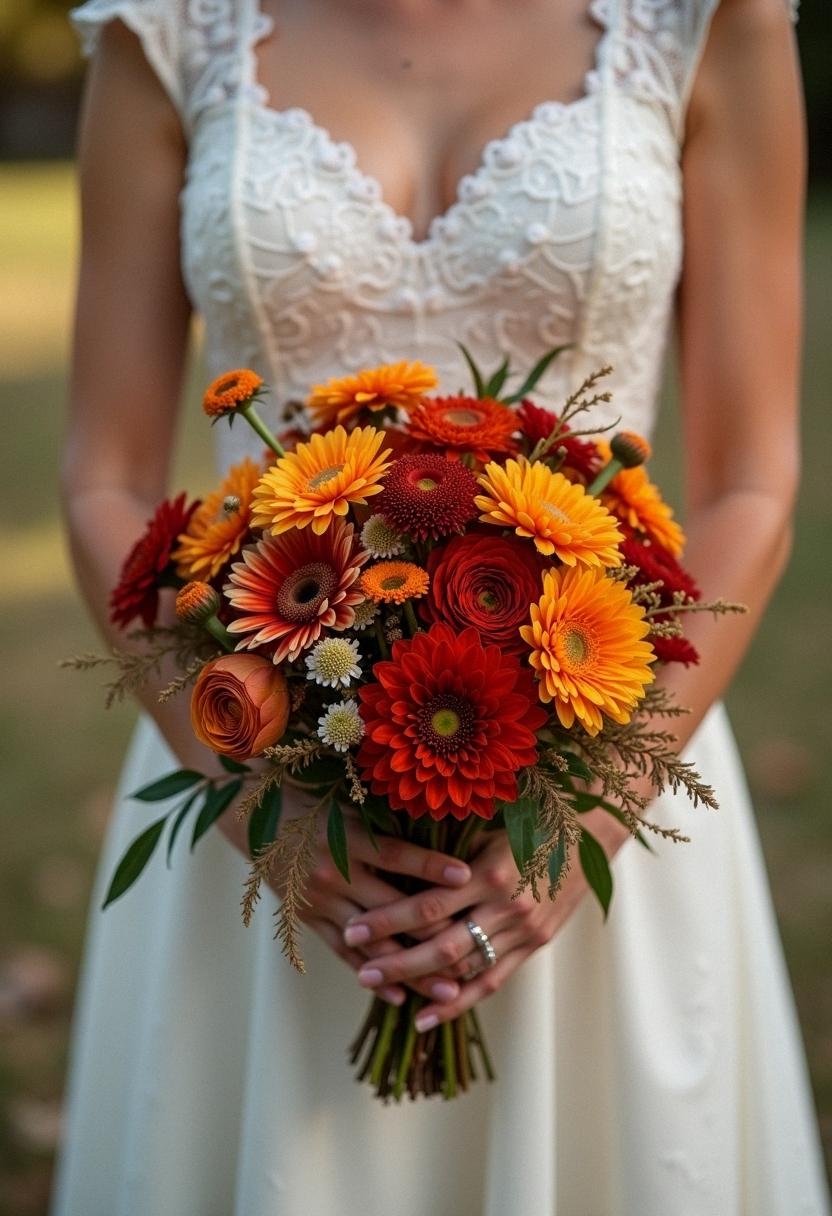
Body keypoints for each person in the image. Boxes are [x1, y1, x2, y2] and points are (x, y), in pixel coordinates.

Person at [53, 1, 830, 1213]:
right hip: (261, 784)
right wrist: (253, 785)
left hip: (609, 765)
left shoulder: (705, 19)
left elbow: (750, 481)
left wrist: (589, 817)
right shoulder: (169, 27)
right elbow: (103, 472)